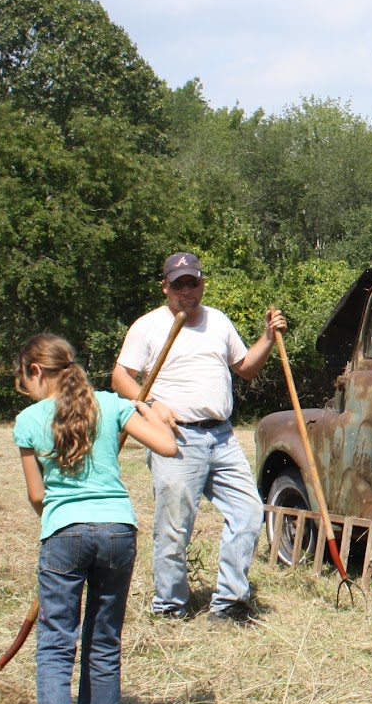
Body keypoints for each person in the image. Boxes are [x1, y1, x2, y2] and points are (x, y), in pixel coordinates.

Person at [13, 334, 177, 704]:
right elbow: (167, 447)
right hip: (118, 533)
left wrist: (58, 527)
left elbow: (37, 496)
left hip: (64, 534)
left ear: (35, 371)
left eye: (22, 379)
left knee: (55, 644)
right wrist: (150, 411)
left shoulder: (28, 421)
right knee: (103, 637)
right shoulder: (111, 405)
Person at [111, 252, 287, 625]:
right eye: (178, 284)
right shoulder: (148, 326)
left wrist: (268, 339)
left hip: (222, 437)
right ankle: (170, 605)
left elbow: (246, 368)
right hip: (175, 438)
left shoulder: (218, 321)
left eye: (193, 282)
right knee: (174, 527)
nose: (186, 291)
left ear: (202, 283)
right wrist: (152, 405)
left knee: (249, 512)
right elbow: (121, 378)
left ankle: (229, 603)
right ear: (166, 287)